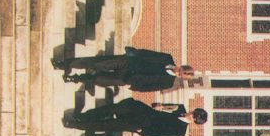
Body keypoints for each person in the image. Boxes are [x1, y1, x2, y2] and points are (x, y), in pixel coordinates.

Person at [63, 98, 207, 136]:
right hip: (142, 111)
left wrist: (141, 131)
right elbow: (160, 106)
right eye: (193, 112)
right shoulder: (180, 108)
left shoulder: (179, 132)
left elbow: (158, 135)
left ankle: (75, 124)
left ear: (194, 122)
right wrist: (159, 106)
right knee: (112, 108)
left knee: (107, 124)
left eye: (193, 117)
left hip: (141, 124)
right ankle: (81, 117)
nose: (190, 115)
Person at [61, 48, 196, 92]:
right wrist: (133, 53)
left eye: (180, 75)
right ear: (180, 66)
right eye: (180, 70)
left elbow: (148, 88)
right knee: (98, 64)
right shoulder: (167, 58)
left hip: (128, 79)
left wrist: (132, 87)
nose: (177, 73)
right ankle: (68, 64)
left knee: (99, 79)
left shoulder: (168, 83)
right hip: (127, 63)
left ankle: (74, 78)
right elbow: (147, 53)